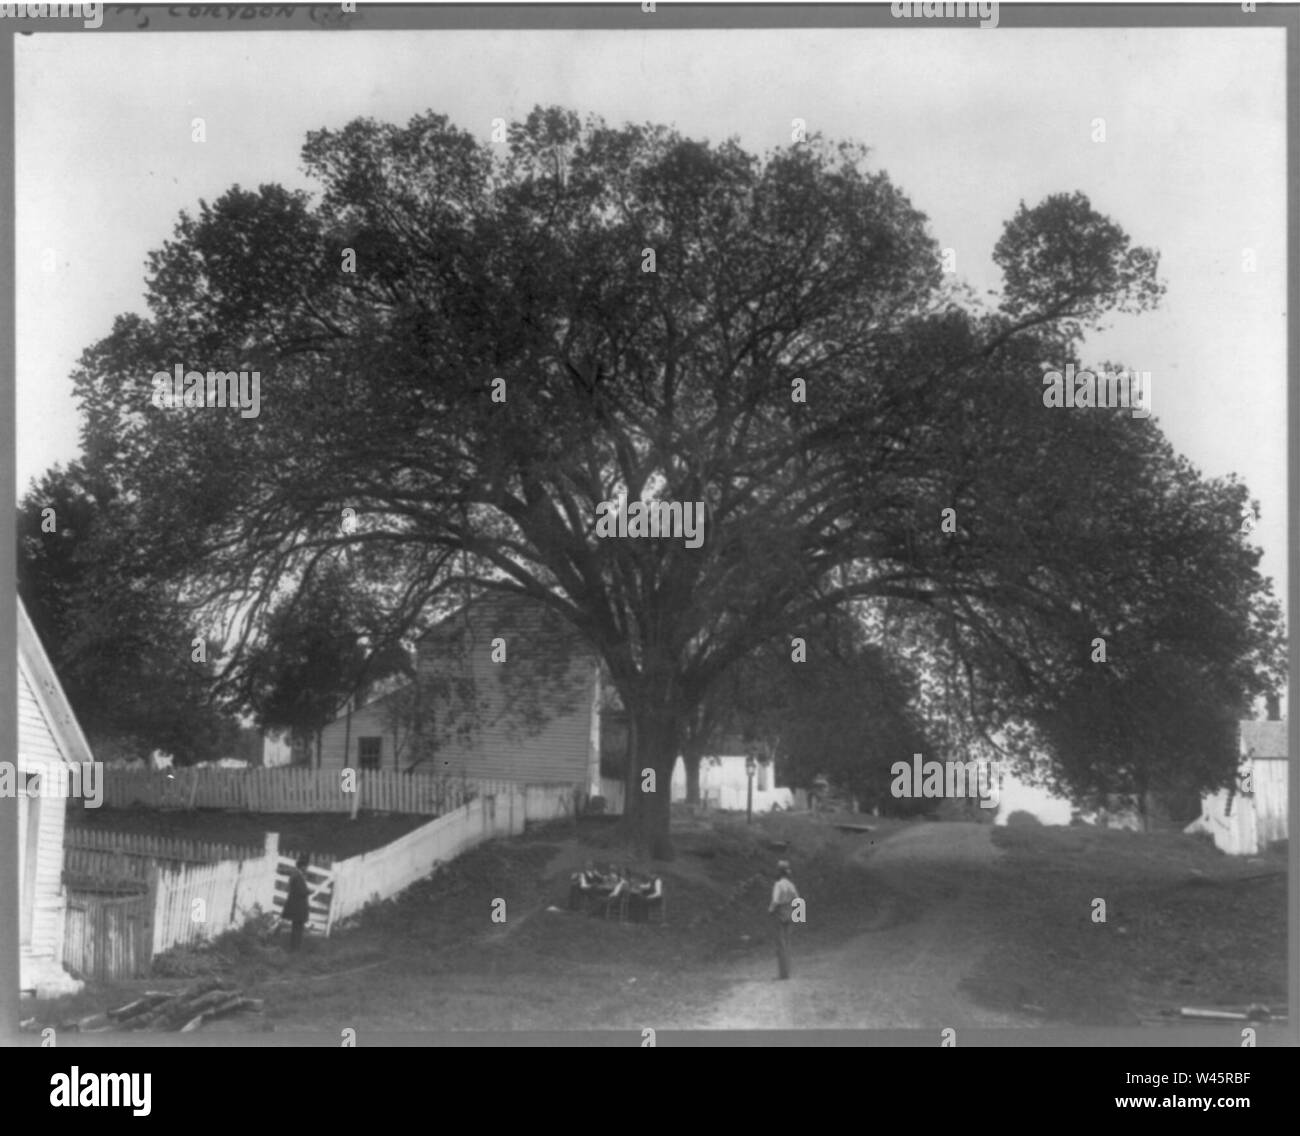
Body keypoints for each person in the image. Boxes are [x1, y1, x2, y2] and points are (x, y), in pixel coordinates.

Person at [768, 859, 800, 979]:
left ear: (779, 872)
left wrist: (770, 909)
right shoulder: (791, 885)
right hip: (790, 912)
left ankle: (783, 973)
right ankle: (787, 972)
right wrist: (798, 917)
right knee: (787, 942)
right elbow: (797, 899)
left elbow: (775, 900)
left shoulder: (778, 884)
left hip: (779, 913)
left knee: (780, 943)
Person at [284, 853, 311, 951]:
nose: (307, 869)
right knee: (297, 928)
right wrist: (308, 891)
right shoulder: (297, 876)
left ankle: (295, 948)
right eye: (306, 867)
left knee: (297, 927)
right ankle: (295, 948)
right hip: (298, 906)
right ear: (302, 866)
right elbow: (301, 891)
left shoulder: (296, 875)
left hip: (296, 905)